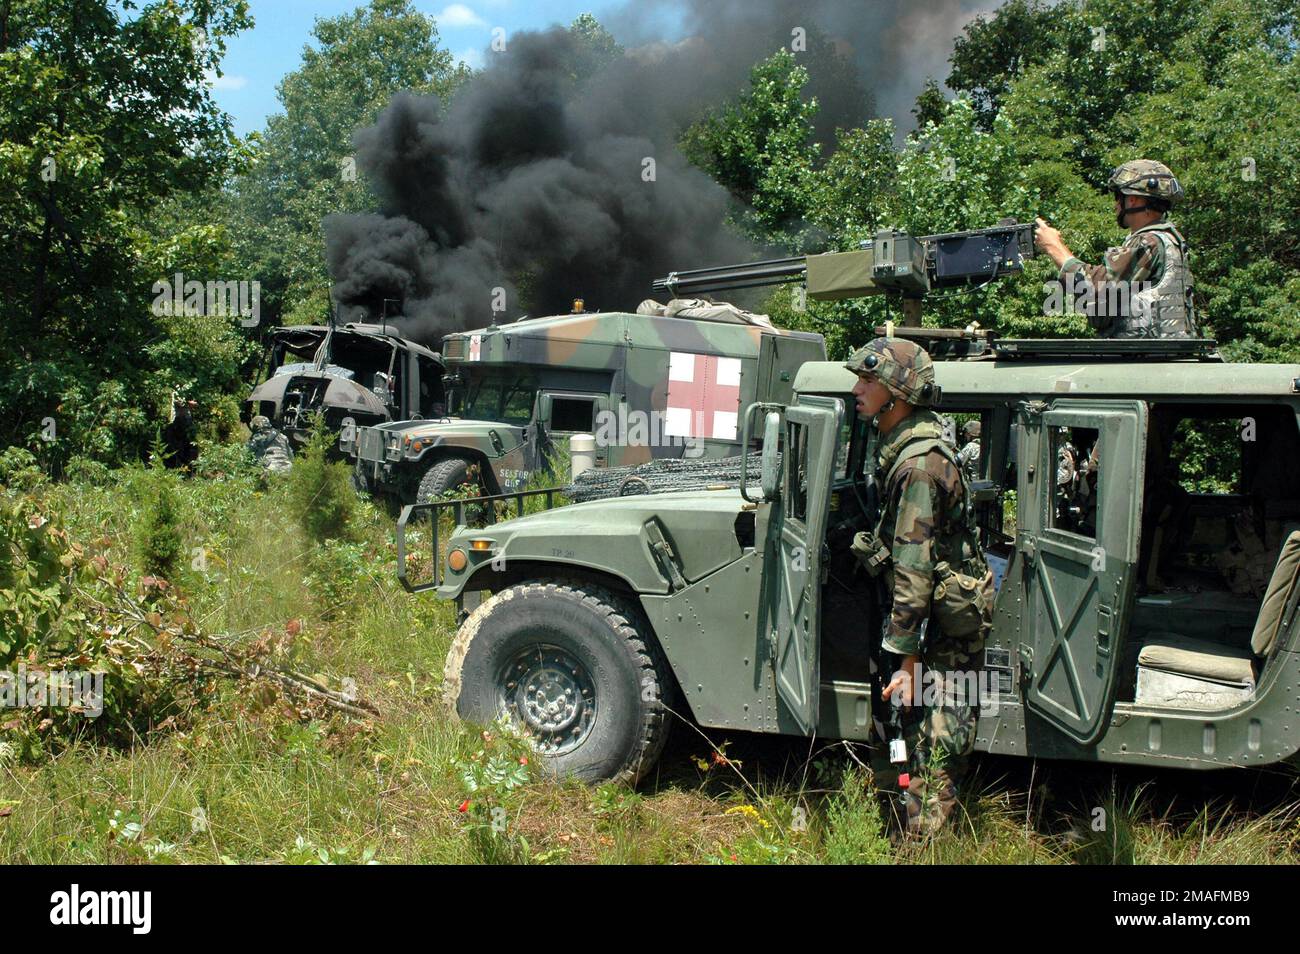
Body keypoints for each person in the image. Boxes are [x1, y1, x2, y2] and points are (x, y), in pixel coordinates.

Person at [847, 338, 993, 838]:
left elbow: (915, 567)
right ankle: (896, 820)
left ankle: (922, 844)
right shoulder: (906, 444)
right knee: (901, 732)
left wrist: (906, 658)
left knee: (935, 741)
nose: (857, 388)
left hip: (935, 630)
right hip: (921, 621)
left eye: (868, 380)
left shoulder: (917, 464)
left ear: (898, 393)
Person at [1035, 159, 1196, 338]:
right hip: (1159, 354)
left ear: (1133, 200)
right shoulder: (1169, 240)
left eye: (1118, 198)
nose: (1115, 205)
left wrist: (1053, 245)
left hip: (1146, 358)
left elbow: (1096, 288)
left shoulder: (1149, 242)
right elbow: (1104, 308)